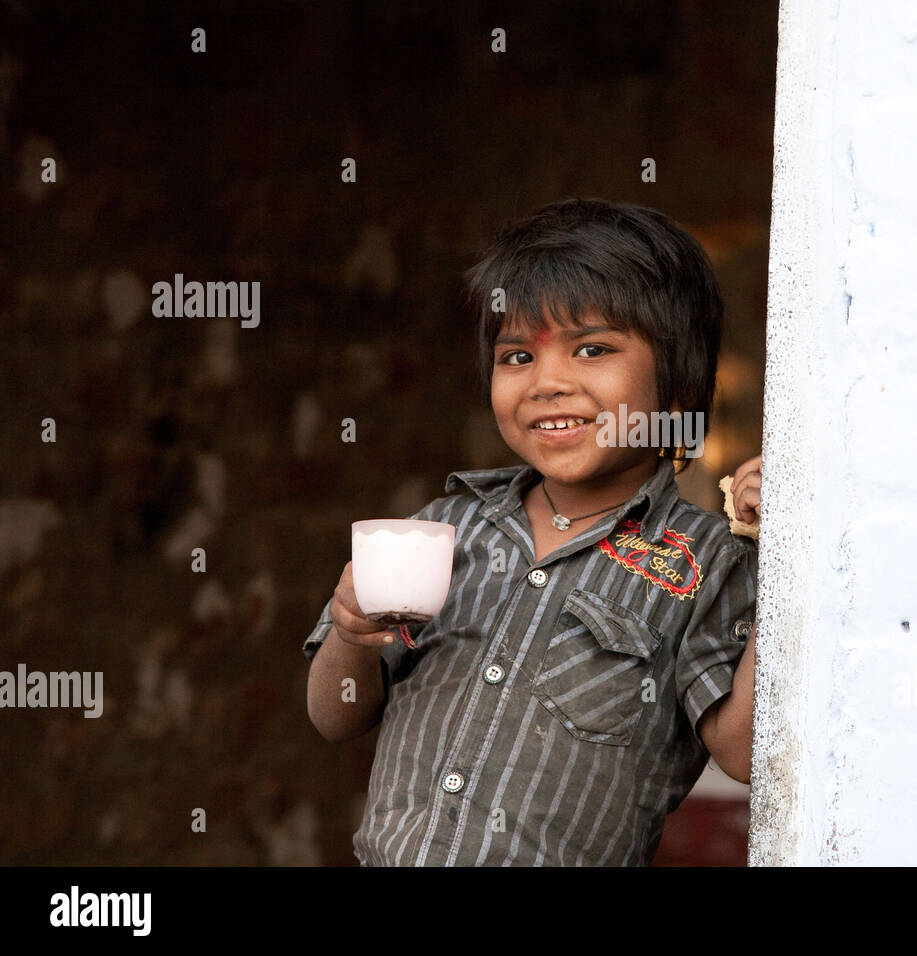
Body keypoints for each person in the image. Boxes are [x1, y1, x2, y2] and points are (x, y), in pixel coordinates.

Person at [303, 198, 762, 866]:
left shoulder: (704, 563)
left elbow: (743, 753)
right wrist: (350, 636)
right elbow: (335, 716)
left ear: (678, 387)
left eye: (593, 349)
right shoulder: (443, 529)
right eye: (517, 355)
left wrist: (786, 559)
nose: (547, 383)